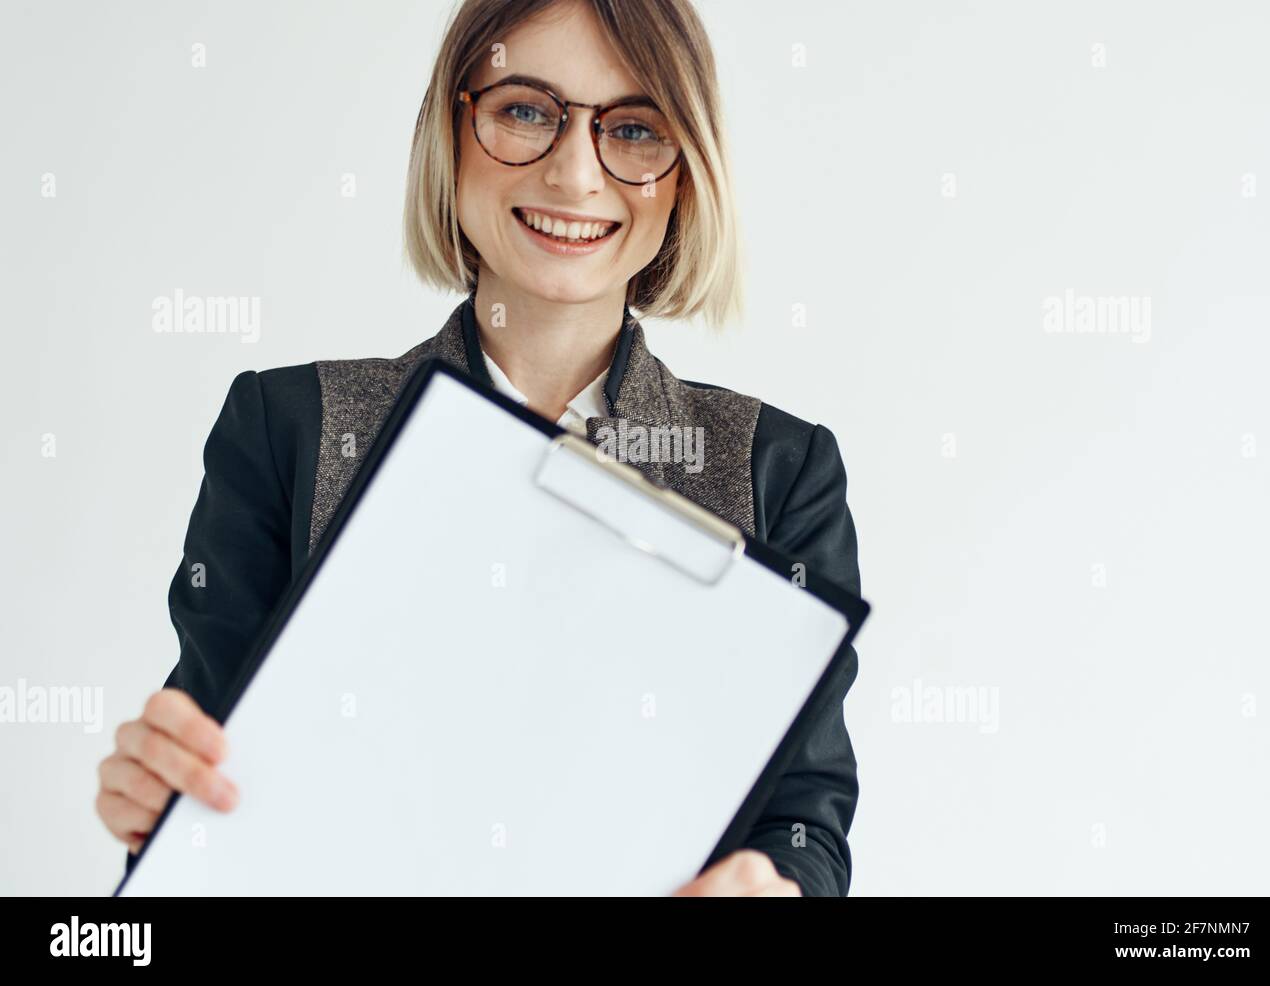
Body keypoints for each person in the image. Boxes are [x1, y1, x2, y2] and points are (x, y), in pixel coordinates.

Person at [96, 0, 862, 897]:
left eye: (636, 127)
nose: (576, 175)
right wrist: (163, 805)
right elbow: (215, 789)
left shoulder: (781, 468)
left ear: (686, 175)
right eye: (526, 110)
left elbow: (805, 820)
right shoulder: (285, 427)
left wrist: (775, 886)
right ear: (449, 132)